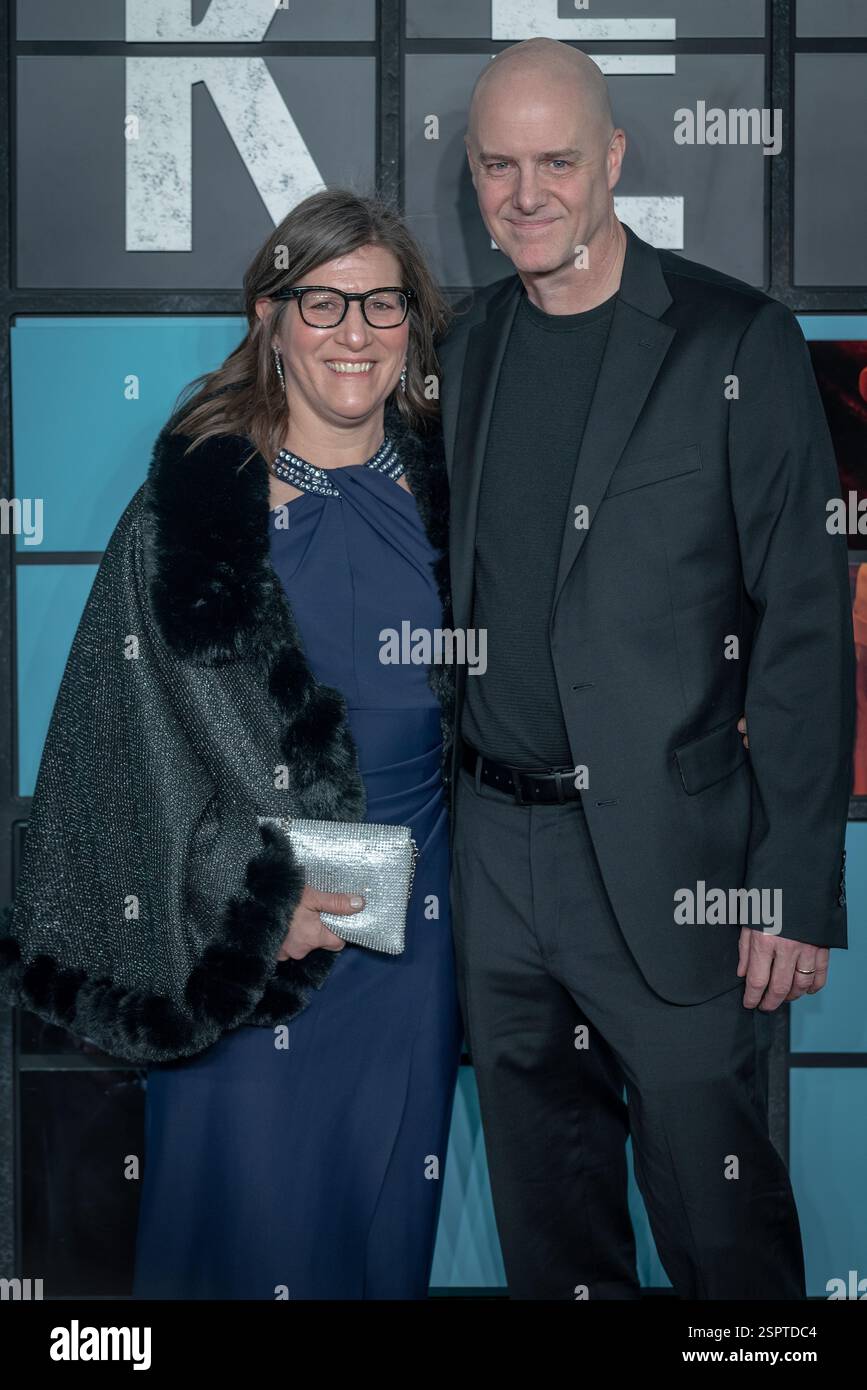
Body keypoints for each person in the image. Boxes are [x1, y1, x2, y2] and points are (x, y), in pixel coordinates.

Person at [438, 38, 855, 1299]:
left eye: (556, 161)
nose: (526, 194)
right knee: (552, 1236)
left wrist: (789, 883)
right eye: (498, 165)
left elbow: (799, 624)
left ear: (612, 158)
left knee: (722, 1237)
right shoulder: (466, 346)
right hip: (497, 861)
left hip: (680, 869)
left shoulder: (738, 339)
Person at [1, 189, 463, 1299]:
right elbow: (118, 759)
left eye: (382, 304)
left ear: (413, 325)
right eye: (323, 302)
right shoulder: (194, 504)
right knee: (244, 1238)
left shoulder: (458, 489)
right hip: (258, 957)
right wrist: (248, 900)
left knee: (381, 1230)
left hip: (424, 946)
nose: (355, 332)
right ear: (270, 317)